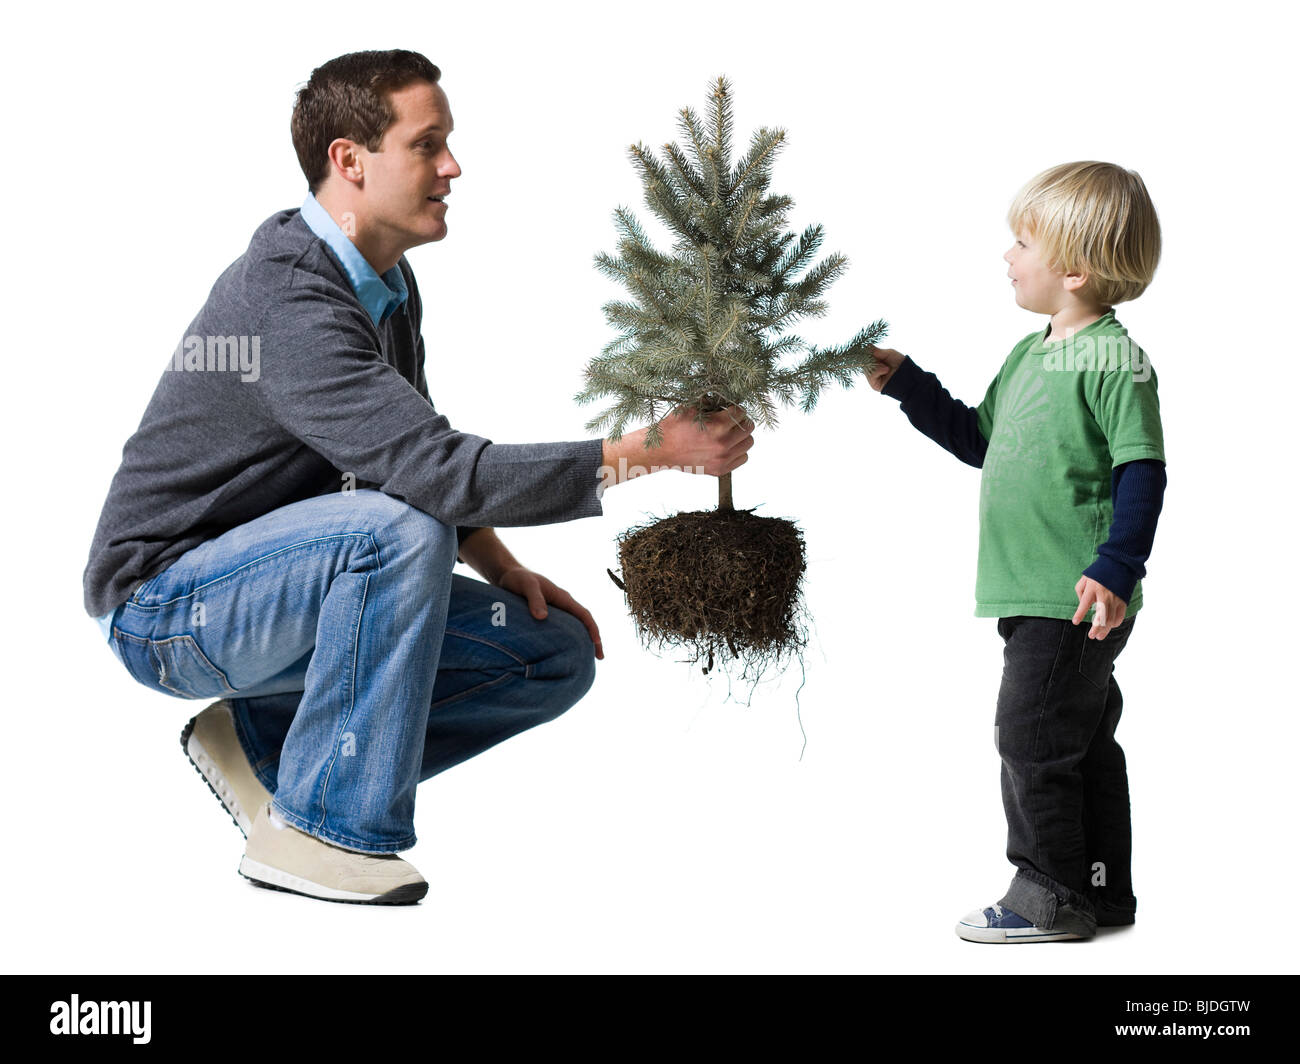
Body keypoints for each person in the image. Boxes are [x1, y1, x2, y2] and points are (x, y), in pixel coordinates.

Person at [82, 49, 754, 906]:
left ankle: (260, 747)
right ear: (350, 160)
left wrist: (502, 567)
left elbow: (409, 454)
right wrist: (650, 449)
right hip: (167, 610)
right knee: (395, 530)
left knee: (547, 653)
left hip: (286, 583)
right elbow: (434, 475)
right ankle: (320, 829)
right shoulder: (291, 300)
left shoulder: (383, 283)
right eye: (426, 144)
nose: (452, 167)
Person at [867, 161, 1166, 942]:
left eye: (1023, 243)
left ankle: (1048, 897)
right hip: (1032, 591)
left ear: (1075, 271)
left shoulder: (1113, 359)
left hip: (1073, 595)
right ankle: (1100, 889)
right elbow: (980, 440)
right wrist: (909, 386)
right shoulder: (1029, 354)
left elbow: (1142, 469)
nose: (1008, 255)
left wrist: (1116, 566)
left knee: (1031, 736)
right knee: (1080, 741)